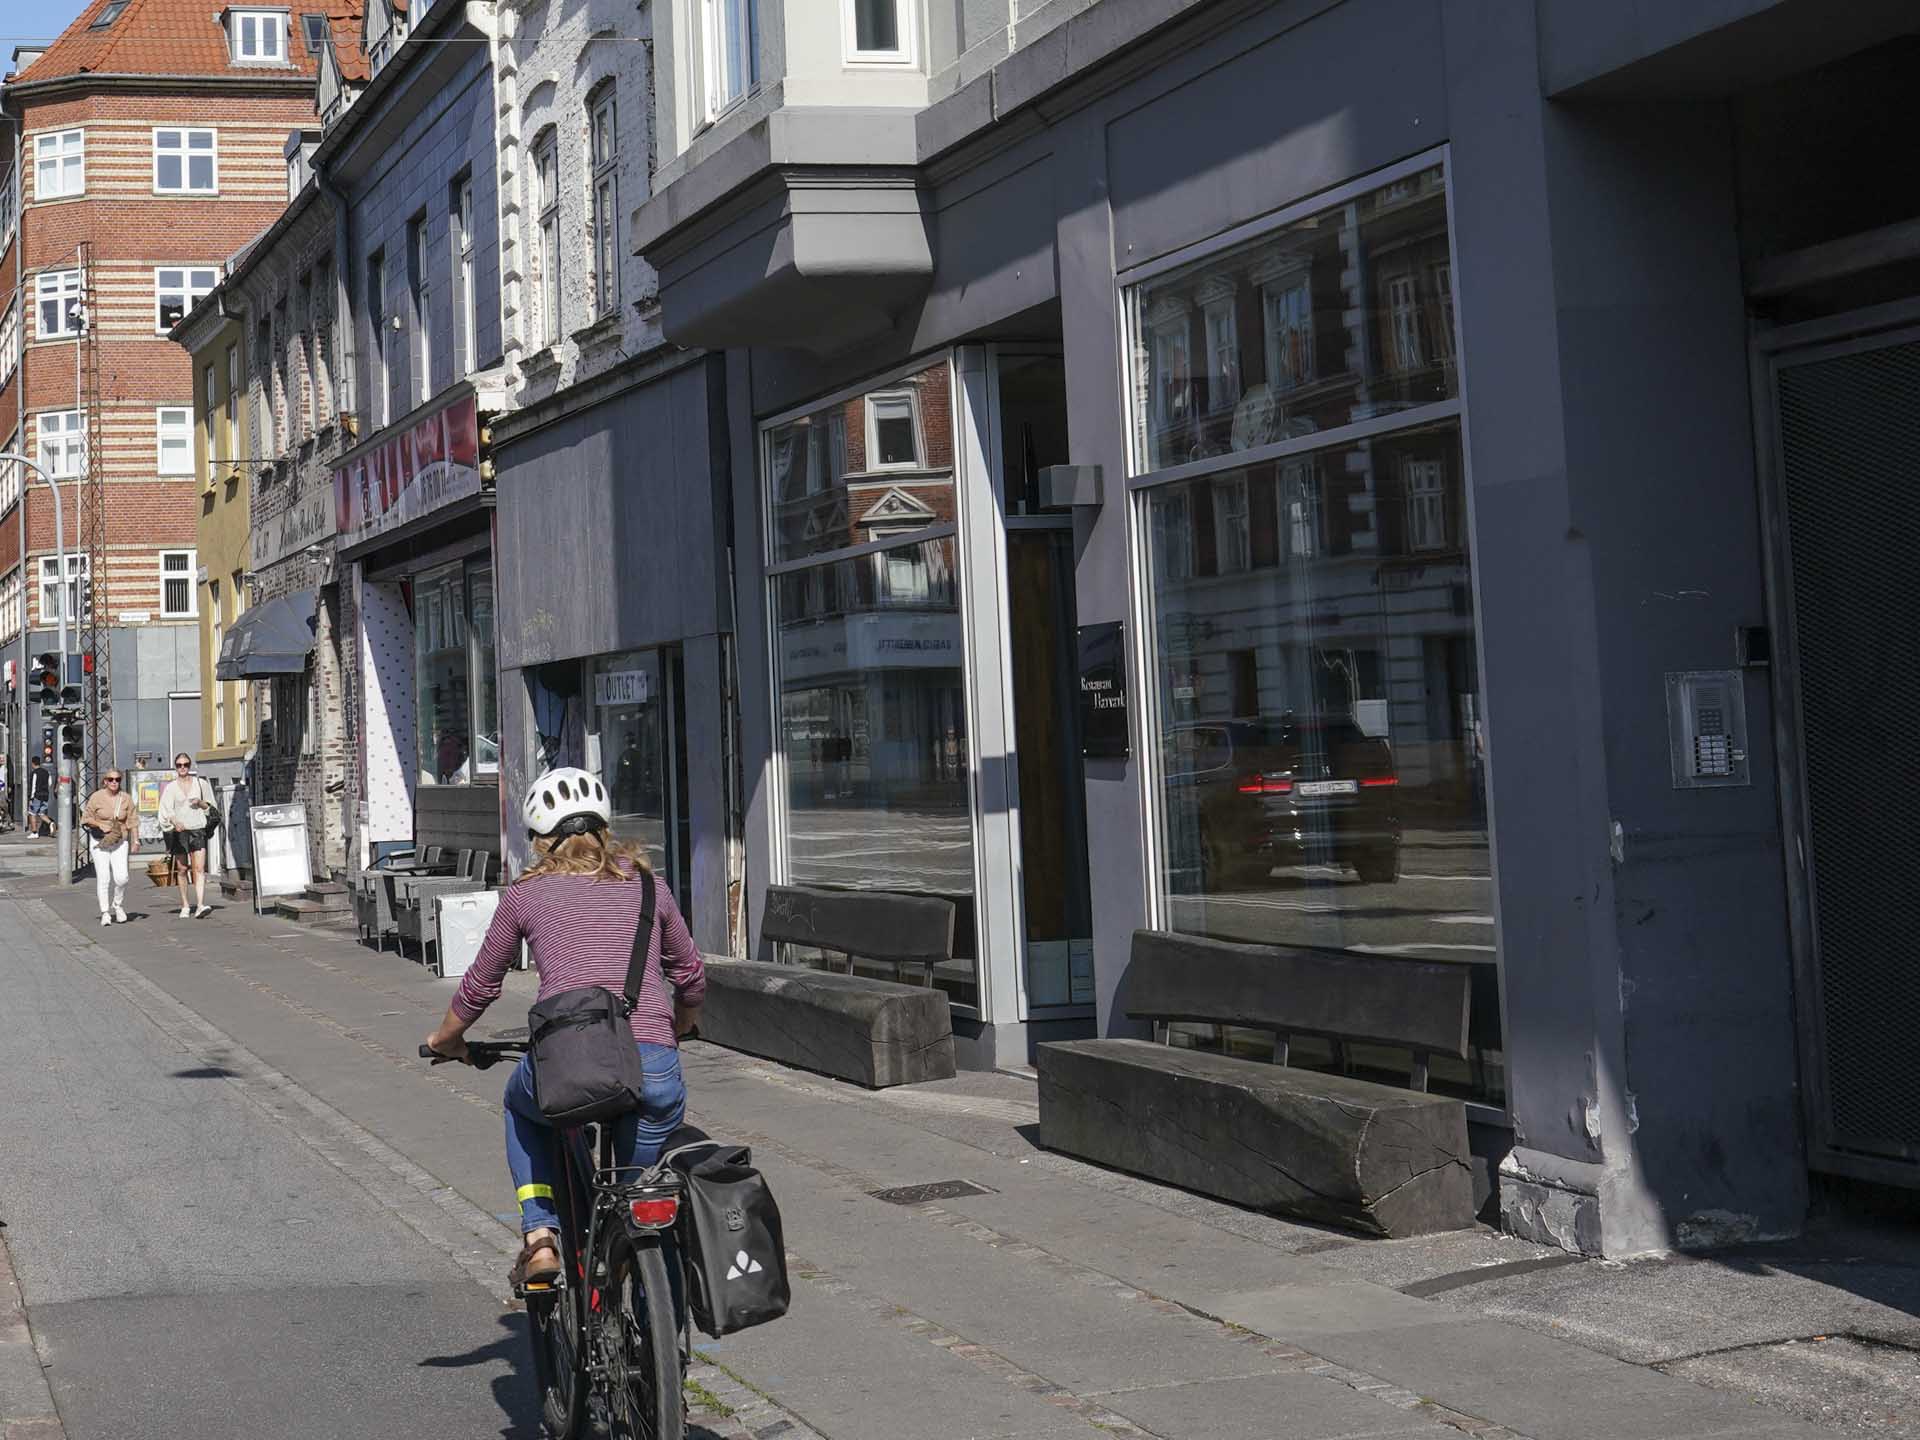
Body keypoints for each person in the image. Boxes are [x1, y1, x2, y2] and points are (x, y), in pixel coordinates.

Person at [424, 767, 705, 1292]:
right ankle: (657, 1337)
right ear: (604, 827)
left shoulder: (525, 896)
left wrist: (447, 1039)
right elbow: (688, 972)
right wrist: (683, 1022)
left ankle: (540, 1236)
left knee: (519, 1105)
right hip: (653, 1069)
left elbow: (482, 984)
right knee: (640, 1199)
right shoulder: (650, 885)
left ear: (541, 839)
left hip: (569, 1066)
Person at [158, 752, 214, 918]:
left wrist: (200, 802)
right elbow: (165, 810)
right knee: (182, 868)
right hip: (180, 831)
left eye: (186, 764)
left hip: (197, 829)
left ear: (190, 766)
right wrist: (175, 821)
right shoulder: (171, 787)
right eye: (179, 765)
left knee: (199, 868)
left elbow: (210, 806)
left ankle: (201, 905)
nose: (183, 768)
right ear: (176, 767)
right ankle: (185, 904)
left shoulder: (201, 783)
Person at [81, 768, 138, 925]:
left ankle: (117, 904)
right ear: (105, 781)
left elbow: (133, 820)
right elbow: (85, 818)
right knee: (104, 877)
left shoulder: (126, 798)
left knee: (122, 878)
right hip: (100, 841)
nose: (114, 782)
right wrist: (100, 823)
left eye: (118, 779)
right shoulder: (97, 797)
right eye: (111, 779)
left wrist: (136, 840)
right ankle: (105, 912)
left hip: (120, 841)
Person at [26, 756, 52, 838]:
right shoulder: (47, 772)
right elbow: (50, 783)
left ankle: (34, 832)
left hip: (37, 796)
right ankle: (51, 823)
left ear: (33, 763)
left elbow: (33, 786)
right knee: (41, 813)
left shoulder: (34, 773)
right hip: (45, 795)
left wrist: (31, 798)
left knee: (32, 813)